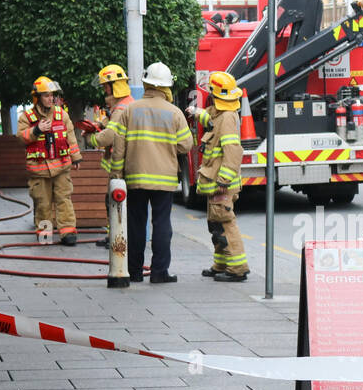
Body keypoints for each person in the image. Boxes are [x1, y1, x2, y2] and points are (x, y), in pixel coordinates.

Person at [87, 62, 194, 282]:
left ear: (146, 84)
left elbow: (119, 147)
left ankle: (134, 272)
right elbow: (186, 146)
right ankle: (159, 273)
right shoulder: (174, 113)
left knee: (135, 226)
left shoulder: (130, 110)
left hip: (134, 178)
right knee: (162, 225)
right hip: (164, 181)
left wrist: (117, 176)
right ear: (166, 87)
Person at [196, 70, 248, 282]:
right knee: (216, 224)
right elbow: (211, 118)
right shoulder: (223, 113)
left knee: (225, 223)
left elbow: (233, 151)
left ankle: (237, 269)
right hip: (216, 182)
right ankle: (221, 264)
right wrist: (197, 113)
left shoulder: (226, 117)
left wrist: (224, 180)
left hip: (221, 184)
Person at [17, 76, 82, 245]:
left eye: (52, 95)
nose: (50, 98)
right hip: (39, 170)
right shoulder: (27, 117)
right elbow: (21, 138)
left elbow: (71, 138)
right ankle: (45, 233)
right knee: (42, 203)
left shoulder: (62, 114)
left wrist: (75, 158)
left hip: (61, 167)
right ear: (37, 98)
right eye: (46, 95)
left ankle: (68, 233)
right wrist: (36, 130)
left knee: (64, 200)